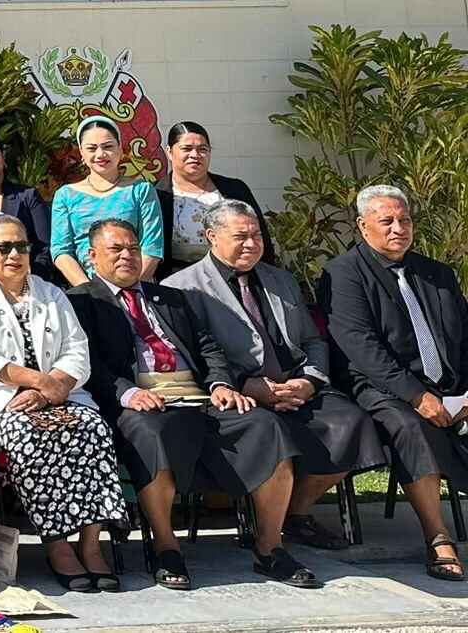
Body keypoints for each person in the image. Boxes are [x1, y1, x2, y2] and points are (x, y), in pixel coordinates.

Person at [70, 219, 312, 591]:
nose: (126, 256)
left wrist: (220, 383)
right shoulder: (81, 301)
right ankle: (167, 547)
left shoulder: (168, 297)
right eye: (115, 249)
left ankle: (270, 547)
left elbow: (208, 347)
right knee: (151, 433)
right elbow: (86, 362)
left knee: (266, 427)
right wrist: (127, 393)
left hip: (198, 396)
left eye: (133, 248)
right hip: (139, 399)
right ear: (92, 256)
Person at [167, 200, 374, 552]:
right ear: (211, 237)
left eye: (256, 235)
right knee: (269, 432)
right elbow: (191, 355)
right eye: (241, 236)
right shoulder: (182, 288)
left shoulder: (281, 279)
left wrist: (309, 380)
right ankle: (269, 538)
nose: (251, 243)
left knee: (353, 422)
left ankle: (294, 513)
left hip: (295, 385)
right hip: (237, 394)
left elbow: (312, 339)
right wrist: (244, 385)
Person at [0, 216, 125, 592]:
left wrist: (51, 388)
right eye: (3, 247)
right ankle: (58, 545)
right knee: (31, 436)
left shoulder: (50, 292)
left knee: (92, 429)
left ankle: (91, 545)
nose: (14, 254)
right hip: (1, 401)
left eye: (21, 246)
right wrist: (36, 382)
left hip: (59, 394)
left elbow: (77, 350)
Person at [320, 184, 468, 583]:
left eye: (404, 220)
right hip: (381, 387)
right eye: (386, 221)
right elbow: (361, 347)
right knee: (409, 424)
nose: (398, 228)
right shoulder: (343, 274)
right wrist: (417, 395)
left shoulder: (437, 274)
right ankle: (438, 537)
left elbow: (464, 336)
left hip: (449, 385)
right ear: (362, 226)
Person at [51, 117, 163, 286]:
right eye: (91, 148)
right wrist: (89, 290)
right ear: (82, 152)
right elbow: (61, 250)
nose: (100, 154)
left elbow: (152, 246)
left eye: (108, 146)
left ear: (120, 148)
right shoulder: (65, 195)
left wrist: (131, 287)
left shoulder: (141, 190)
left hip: (136, 288)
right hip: (88, 291)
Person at [157, 122, 277, 272]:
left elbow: (260, 236)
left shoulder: (235, 189)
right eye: (186, 149)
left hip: (235, 277)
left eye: (203, 149)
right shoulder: (158, 194)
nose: (195, 155)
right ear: (169, 152)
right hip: (179, 281)